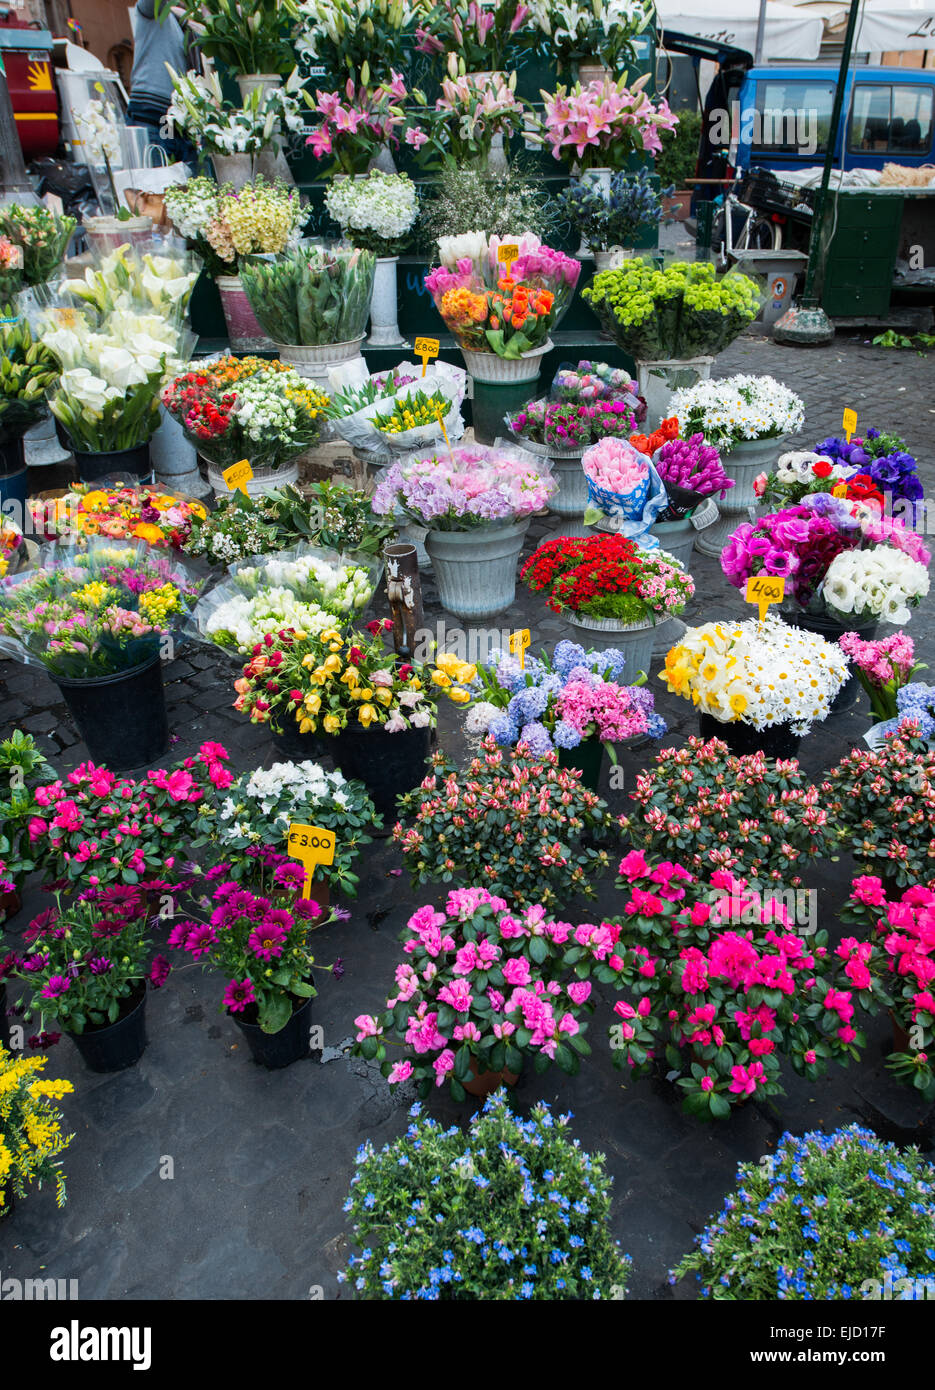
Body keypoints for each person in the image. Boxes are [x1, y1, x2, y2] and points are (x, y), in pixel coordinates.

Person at [126, 0, 197, 162]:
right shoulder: (156, 11)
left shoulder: (187, 24)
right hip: (150, 117)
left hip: (176, 126)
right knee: (153, 184)